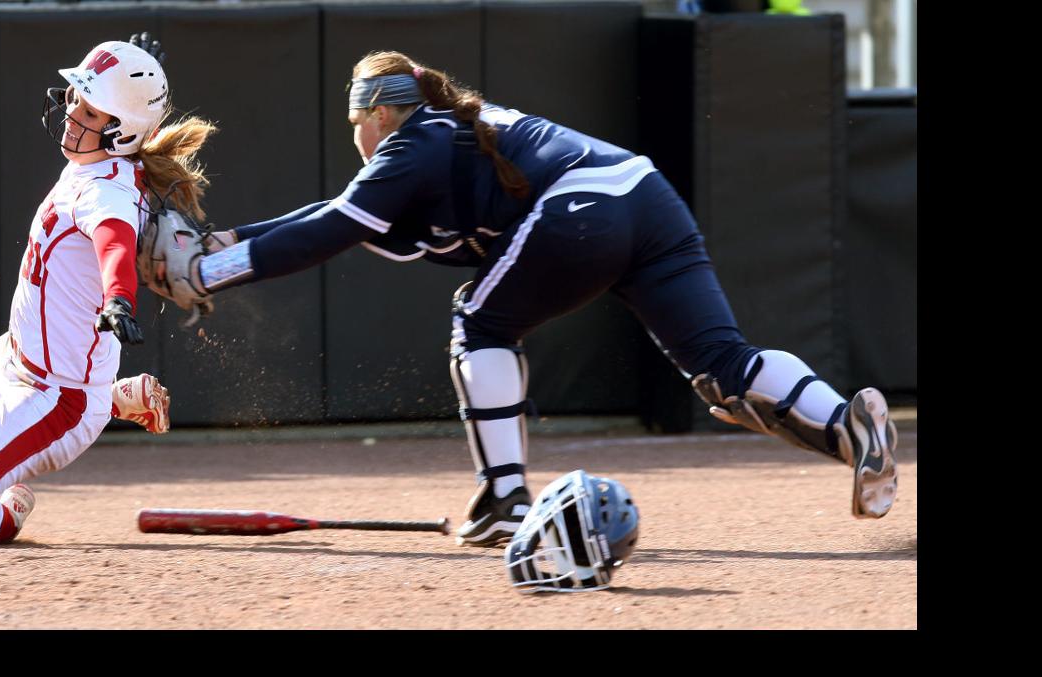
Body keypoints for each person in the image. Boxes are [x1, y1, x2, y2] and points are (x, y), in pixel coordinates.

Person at [152, 50, 898, 547]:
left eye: (357, 125)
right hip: (647, 196)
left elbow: (340, 223)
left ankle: (505, 496)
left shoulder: (411, 143)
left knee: (479, 323)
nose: (358, 138)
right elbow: (336, 218)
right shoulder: (441, 136)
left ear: (376, 115)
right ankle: (847, 421)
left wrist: (212, 272)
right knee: (720, 368)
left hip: (583, 209)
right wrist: (226, 242)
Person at [0, 34, 217, 544]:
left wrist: (120, 297)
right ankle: (119, 395)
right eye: (78, 98)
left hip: (59, 397)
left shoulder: (108, 189)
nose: (73, 112)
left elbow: (115, 246)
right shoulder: (98, 163)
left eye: (93, 109)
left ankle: (11, 510)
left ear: (124, 132)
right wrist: (135, 71)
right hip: (18, 360)